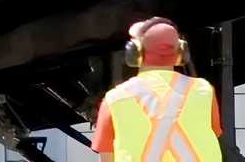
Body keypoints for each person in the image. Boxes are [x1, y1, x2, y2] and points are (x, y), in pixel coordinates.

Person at [91, 17, 223, 162]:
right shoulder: (203, 90)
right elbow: (212, 134)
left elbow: (106, 158)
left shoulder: (114, 99)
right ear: (180, 53)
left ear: (136, 53)